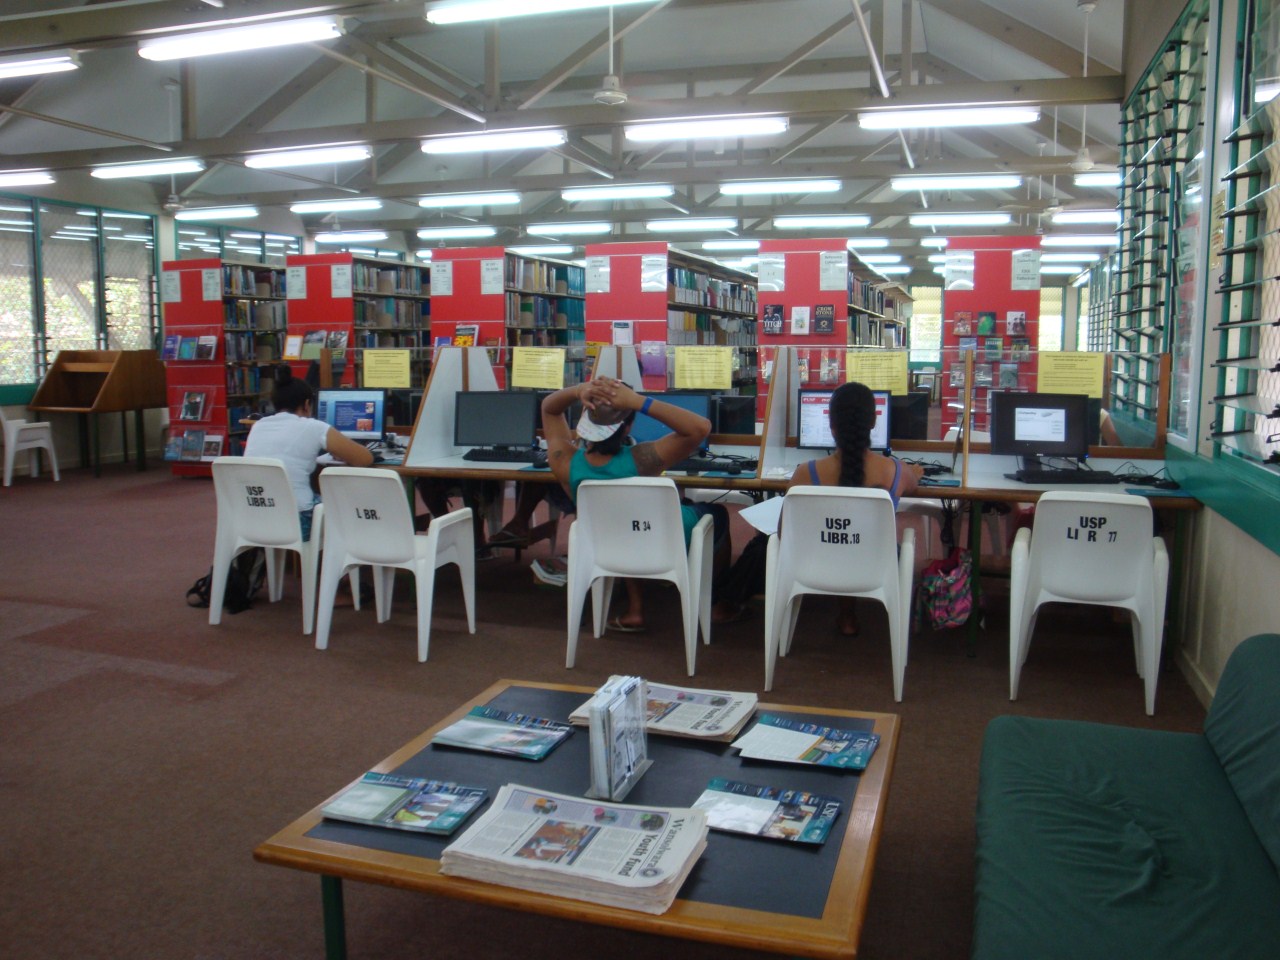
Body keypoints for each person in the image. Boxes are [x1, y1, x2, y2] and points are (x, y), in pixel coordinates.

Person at [712, 381, 923, 635]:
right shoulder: (896, 471)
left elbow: (784, 531)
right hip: (877, 566)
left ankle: (727, 603)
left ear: (831, 424)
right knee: (860, 540)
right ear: (874, 421)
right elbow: (913, 484)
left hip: (815, 564)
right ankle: (848, 616)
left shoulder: (806, 473)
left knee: (765, 543)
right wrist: (914, 472)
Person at [542, 377, 731, 633]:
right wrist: (638, 401)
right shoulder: (642, 459)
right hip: (659, 536)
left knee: (624, 521)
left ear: (585, 421)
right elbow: (699, 427)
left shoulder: (564, 462)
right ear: (628, 426)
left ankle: (635, 610)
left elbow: (549, 408)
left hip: (609, 540)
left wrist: (578, 390)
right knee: (718, 513)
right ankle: (718, 602)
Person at [244, 365, 373, 541]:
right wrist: (341, 451)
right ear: (306, 404)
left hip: (256, 518)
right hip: (297, 522)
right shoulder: (313, 427)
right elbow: (365, 459)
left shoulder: (258, 426)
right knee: (348, 504)